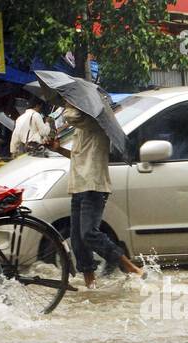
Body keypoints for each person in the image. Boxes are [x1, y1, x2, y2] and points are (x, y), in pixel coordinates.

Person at [46, 105, 142, 288]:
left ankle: (130, 267)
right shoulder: (81, 129)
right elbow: (78, 156)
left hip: (94, 185)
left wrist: (64, 108)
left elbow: (72, 116)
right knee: (77, 241)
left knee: (89, 233)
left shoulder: (94, 121)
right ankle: (90, 283)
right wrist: (59, 149)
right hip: (78, 185)